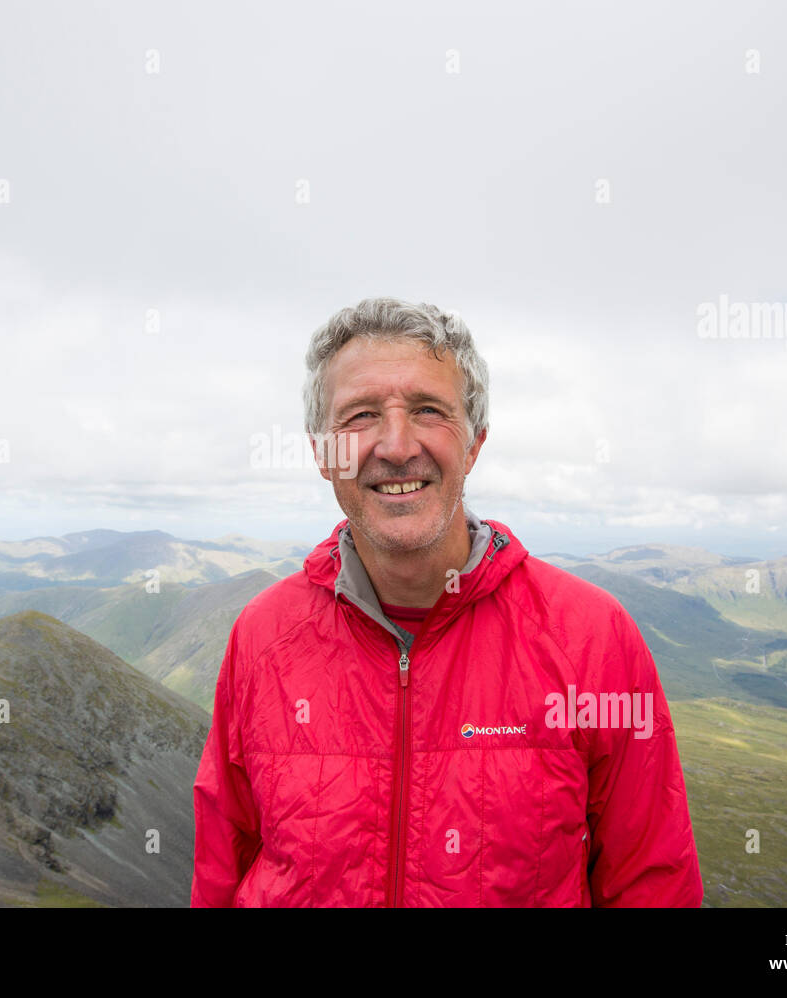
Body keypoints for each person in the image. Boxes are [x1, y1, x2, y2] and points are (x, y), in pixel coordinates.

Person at [190, 297, 703, 907]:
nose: (397, 446)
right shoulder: (263, 635)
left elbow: (652, 882)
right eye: (359, 416)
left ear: (475, 442)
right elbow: (224, 868)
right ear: (322, 452)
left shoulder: (593, 638)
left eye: (429, 410)